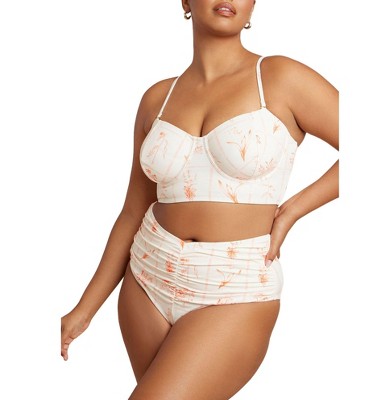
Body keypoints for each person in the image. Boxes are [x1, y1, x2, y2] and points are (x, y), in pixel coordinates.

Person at [61, 0, 338, 398]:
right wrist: (84, 309)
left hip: (236, 289)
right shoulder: (157, 98)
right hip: (147, 280)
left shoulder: (280, 78)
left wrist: (293, 209)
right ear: (186, 2)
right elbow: (133, 211)